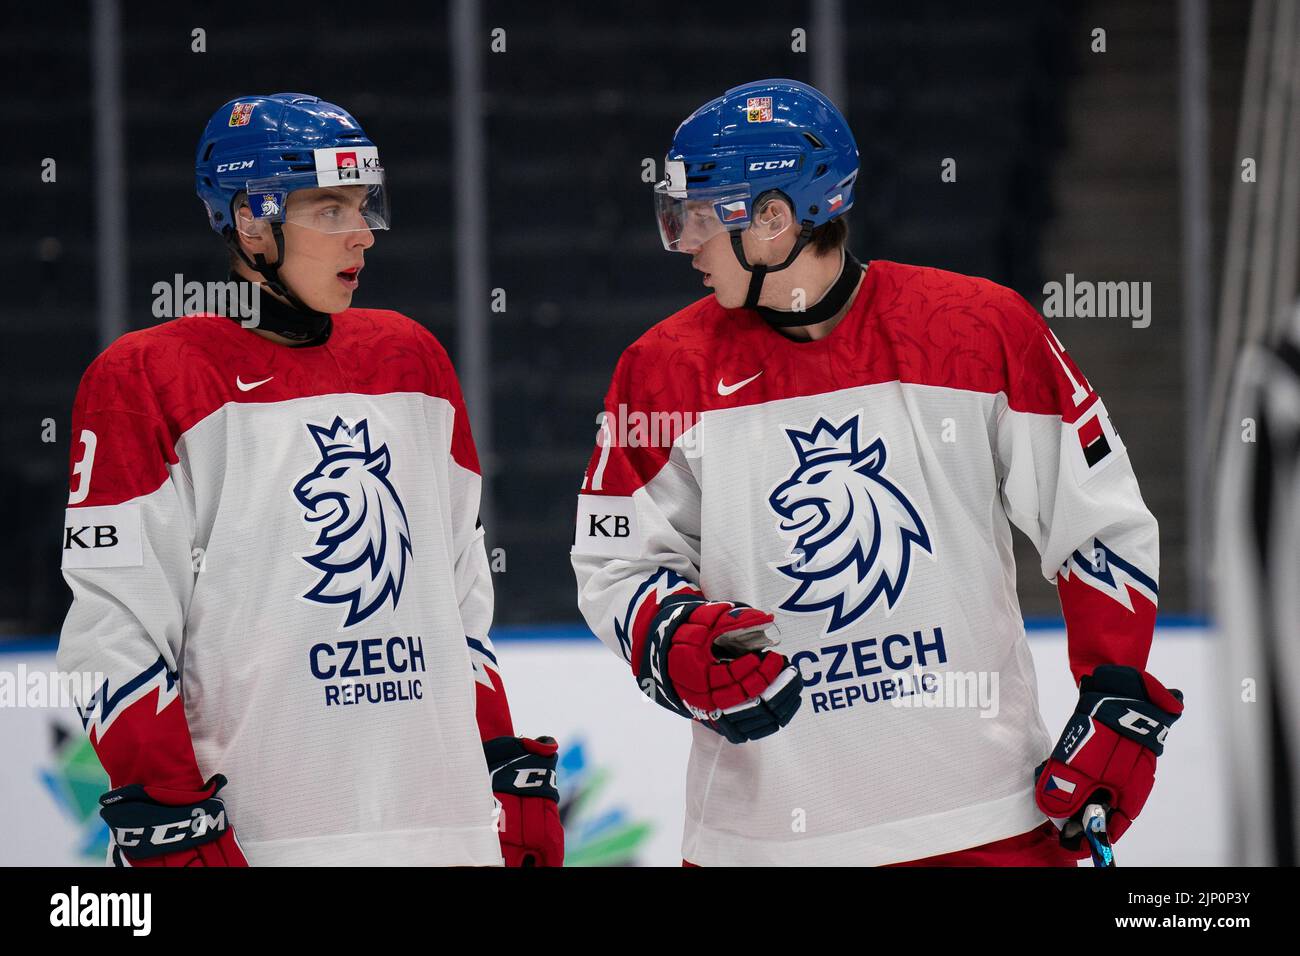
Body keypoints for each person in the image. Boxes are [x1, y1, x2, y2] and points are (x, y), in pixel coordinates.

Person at [572, 78, 1182, 866]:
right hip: (759, 844)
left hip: (986, 826)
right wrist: (670, 638)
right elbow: (616, 558)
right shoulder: (661, 371)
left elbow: (1095, 517)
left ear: (773, 218)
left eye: (700, 214)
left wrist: (1116, 689)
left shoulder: (977, 330)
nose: (685, 239)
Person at [57, 92, 563, 866]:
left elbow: (461, 605)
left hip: (446, 832)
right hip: (262, 838)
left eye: (364, 206)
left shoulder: (411, 360)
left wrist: (498, 759)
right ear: (252, 220)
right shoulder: (146, 376)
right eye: (329, 210)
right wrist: (170, 814)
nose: (362, 234)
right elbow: (114, 634)